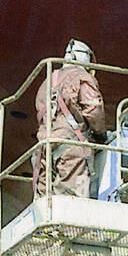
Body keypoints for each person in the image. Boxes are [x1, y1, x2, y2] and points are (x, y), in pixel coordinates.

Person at [32, 39, 106, 198]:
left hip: (44, 146)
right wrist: (100, 134)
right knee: (70, 200)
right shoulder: (81, 77)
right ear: (84, 58)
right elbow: (94, 109)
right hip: (70, 145)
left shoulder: (47, 81)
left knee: (45, 197)